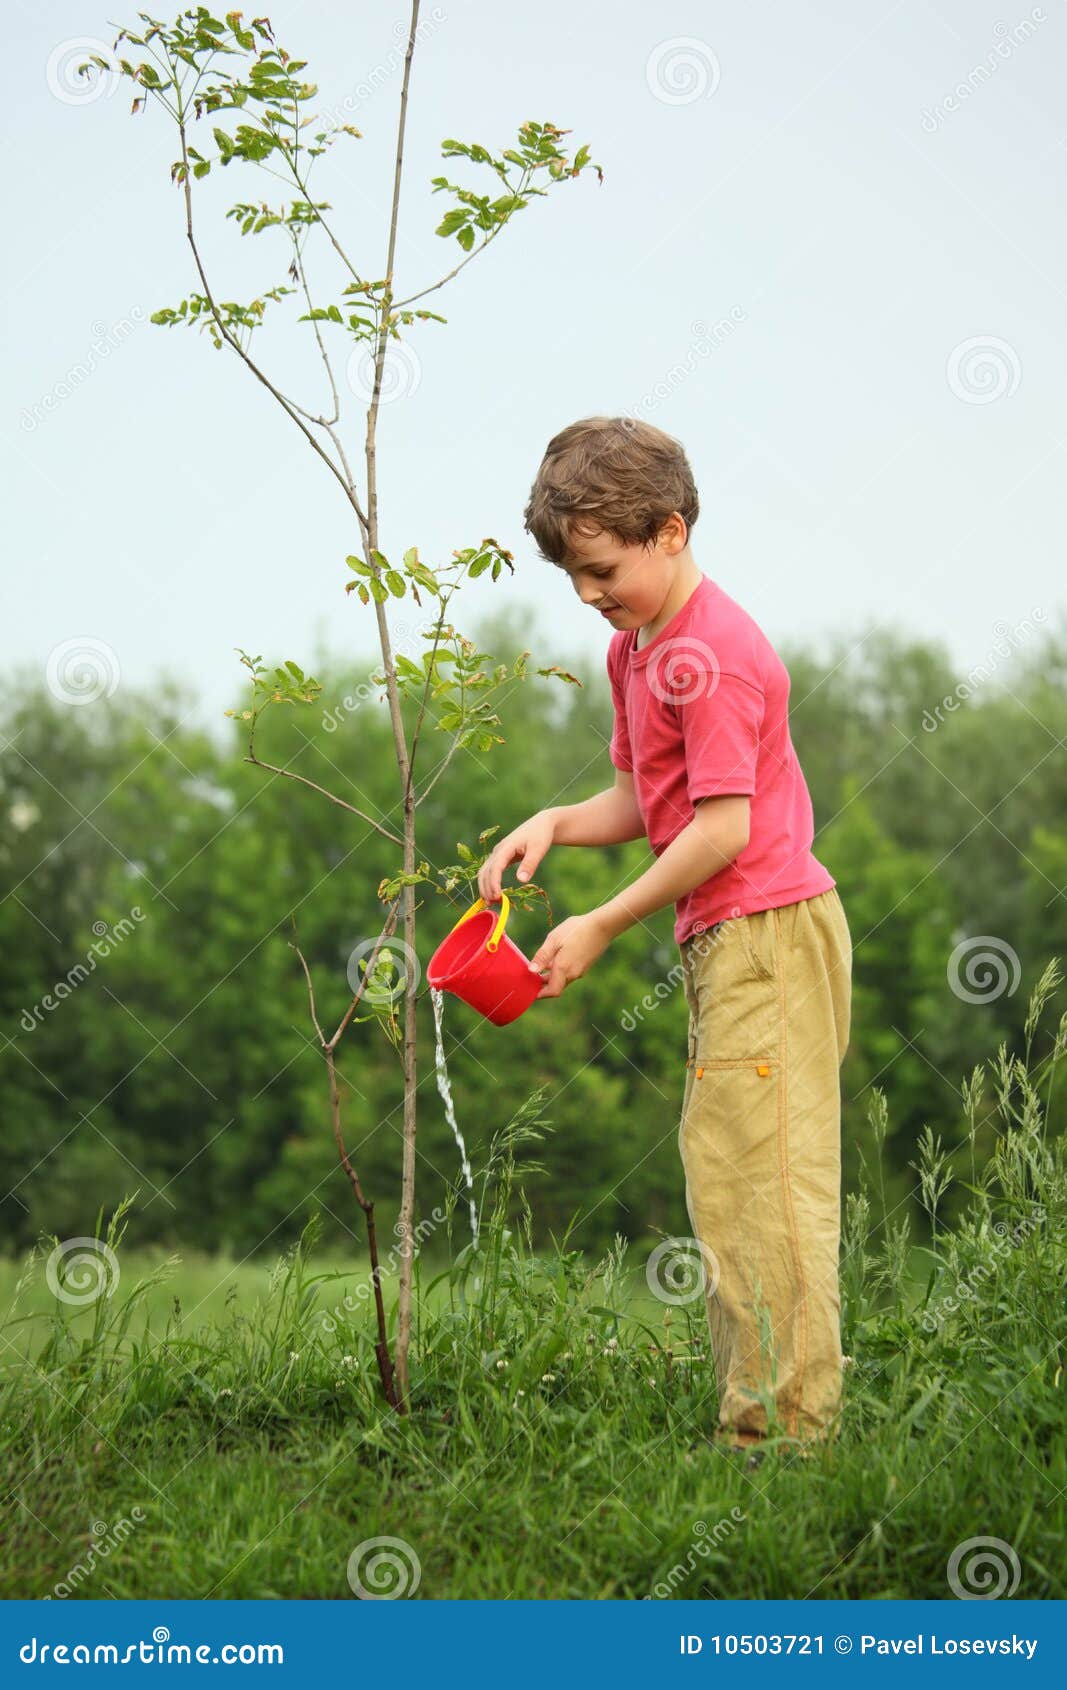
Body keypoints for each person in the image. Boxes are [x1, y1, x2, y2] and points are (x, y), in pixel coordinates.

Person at [476, 415, 852, 1457]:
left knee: (761, 1186)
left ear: (670, 531)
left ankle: (781, 1442)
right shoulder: (635, 650)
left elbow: (722, 829)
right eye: (572, 576)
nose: (589, 593)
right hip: (730, 937)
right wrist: (554, 822)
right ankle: (763, 1421)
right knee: (726, 1176)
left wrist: (601, 919)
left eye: (601, 568)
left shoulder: (712, 657)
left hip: (767, 933)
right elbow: (654, 801)